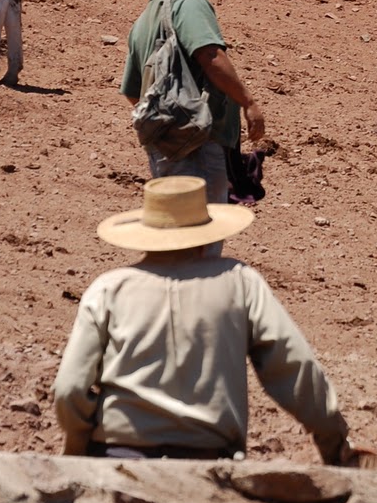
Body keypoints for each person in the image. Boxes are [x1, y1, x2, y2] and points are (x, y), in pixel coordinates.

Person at [54, 176, 353, 462]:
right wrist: (333, 442)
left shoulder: (109, 289)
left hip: (115, 455)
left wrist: (80, 449)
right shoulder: (238, 281)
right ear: (205, 233)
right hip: (208, 458)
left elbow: (69, 388)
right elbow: (294, 365)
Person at [121, 0, 265, 204]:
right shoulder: (190, 0)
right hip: (197, 143)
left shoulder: (144, 18)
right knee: (205, 232)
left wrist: (166, 127)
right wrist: (249, 102)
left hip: (162, 147)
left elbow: (133, 92)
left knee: (178, 228)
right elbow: (210, 56)